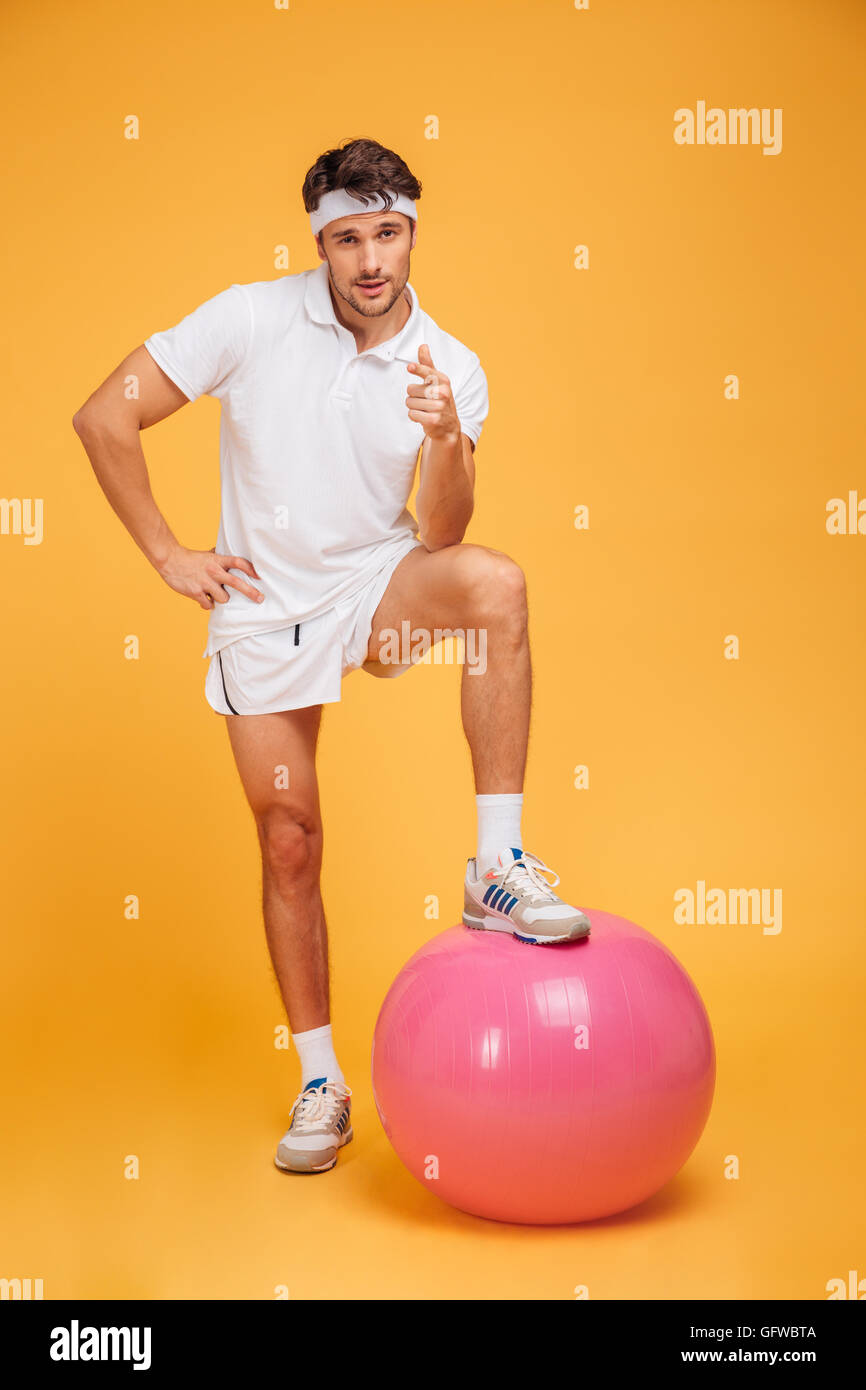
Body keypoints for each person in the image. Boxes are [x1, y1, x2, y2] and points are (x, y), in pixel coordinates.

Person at [72, 137, 592, 1177]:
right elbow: (104, 415)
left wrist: (447, 438)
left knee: (495, 584)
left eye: (387, 234)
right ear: (319, 240)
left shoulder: (451, 364)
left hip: (373, 590)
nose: (368, 260)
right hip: (264, 612)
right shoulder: (251, 317)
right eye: (347, 236)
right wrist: (171, 555)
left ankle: (495, 866)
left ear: (411, 235)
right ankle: (320, 1081)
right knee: (289, 838)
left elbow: (442, 538)